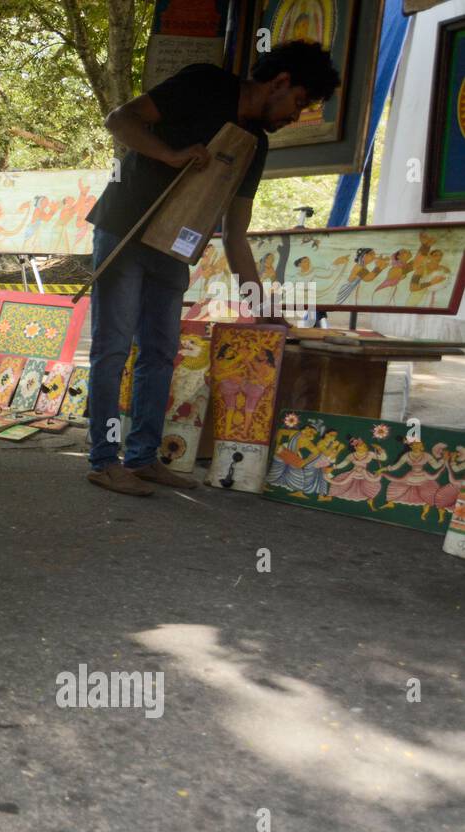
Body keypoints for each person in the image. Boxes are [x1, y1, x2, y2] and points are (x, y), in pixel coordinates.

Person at [84, 41, 339, 496]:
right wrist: (170, 154)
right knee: (114, 348)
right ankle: (104, 461)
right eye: (298, 101)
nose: (295, 116)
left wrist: (261, 306)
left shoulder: (255, 145)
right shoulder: (205, 82)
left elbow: (236, 234)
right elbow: (120, 119)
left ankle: (141, 458)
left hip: (174, 247)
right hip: (126, 228)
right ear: (279, 82)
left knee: (161, 352)